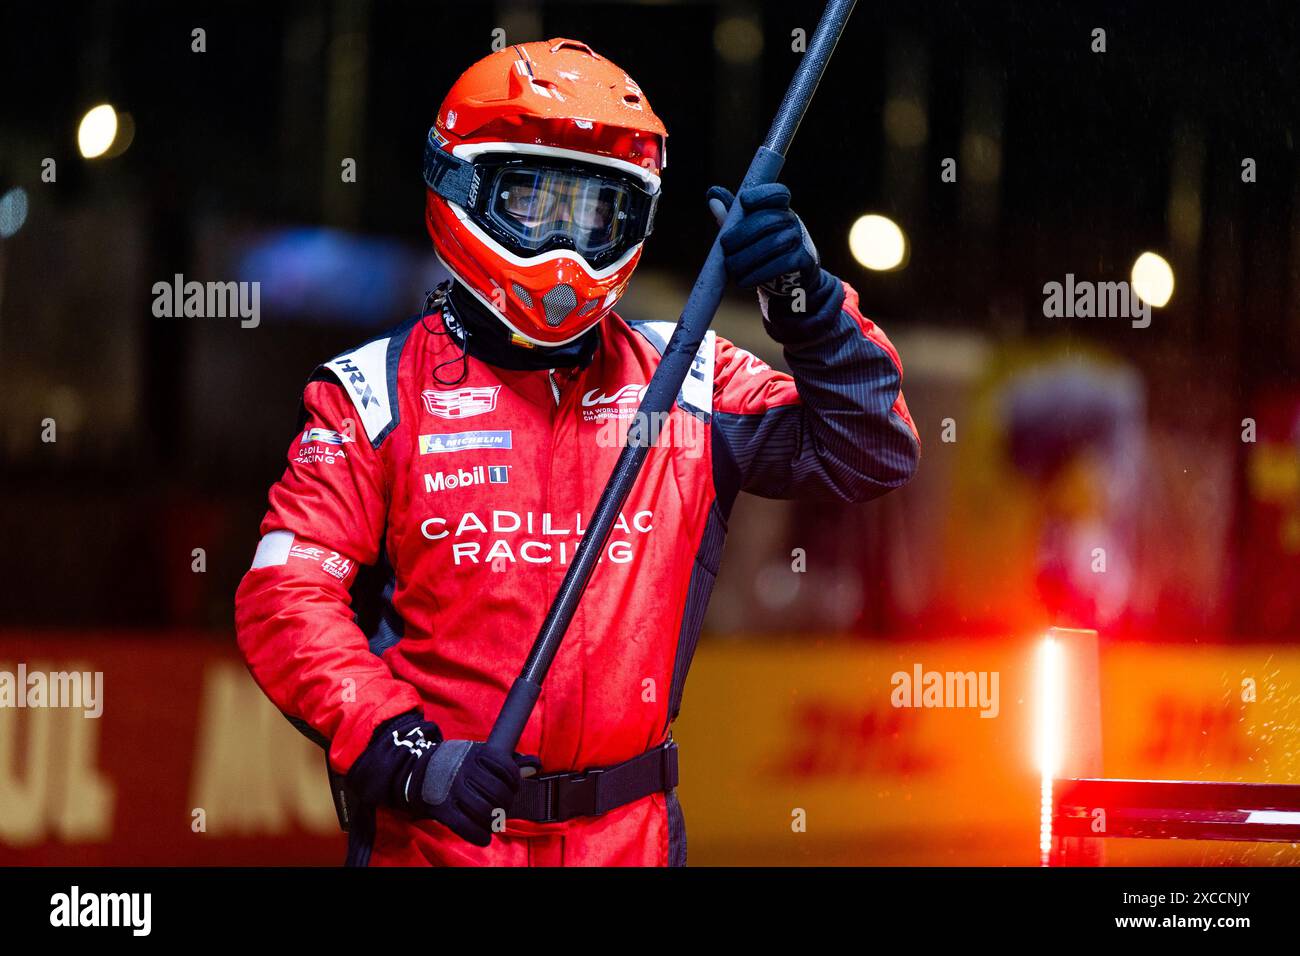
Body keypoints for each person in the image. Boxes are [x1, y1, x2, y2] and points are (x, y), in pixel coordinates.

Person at [235, 38, 919, 867]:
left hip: (629, 839)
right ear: (463, 186)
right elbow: (286, 596)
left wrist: (808, 303)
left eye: (597, 211)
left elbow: (872, 451)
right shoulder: (373, 393)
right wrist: (410, 754)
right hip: (443, 839)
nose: (567, 244)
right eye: (535, 202)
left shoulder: (690, 377)